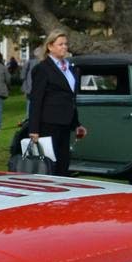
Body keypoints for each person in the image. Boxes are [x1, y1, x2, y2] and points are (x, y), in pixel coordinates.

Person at [26, 30, 87, 175]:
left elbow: (70, 97)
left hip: (65, 122)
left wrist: (76, 123)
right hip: (49, 122)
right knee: (49, 163)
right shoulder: (42, 69)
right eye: (60, 44)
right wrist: (33, 129)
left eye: (65, 44)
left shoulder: (70, 68)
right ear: (50, 47)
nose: (64, 47)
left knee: (63, 162)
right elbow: (36, 99)